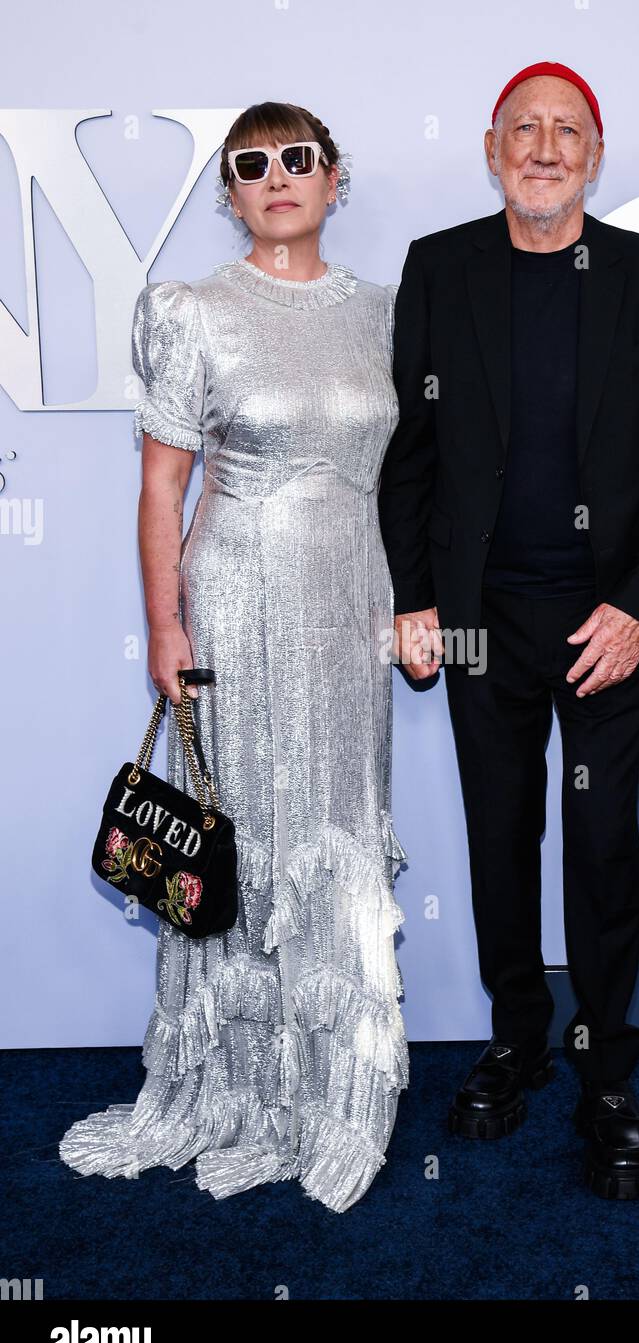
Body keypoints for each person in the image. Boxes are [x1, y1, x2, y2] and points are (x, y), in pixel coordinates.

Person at [378, 62, 639, 1199]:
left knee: (600, 843)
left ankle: (605, 1070)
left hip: (604, 622)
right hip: (481, 621)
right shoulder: (438, 268)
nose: (541, 146)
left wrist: (637, 606)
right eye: (521, 129)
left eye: (562, 130)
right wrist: (416, 596)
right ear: (489, 150)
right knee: (498, 836)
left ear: (593, 152)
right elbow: (411, 459)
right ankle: (518, 1037)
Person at [60, 101, 409, 1213]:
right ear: (230, 193)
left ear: (334, 178)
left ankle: (330, 1098)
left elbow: (410, 474)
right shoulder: (192, 311)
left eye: (295, 158)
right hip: (238, 596)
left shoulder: (386, 314)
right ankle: (241, 1089)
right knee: (244, 829)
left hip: (350, 597)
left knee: (333, 826)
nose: (274, 177)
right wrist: (166, 625)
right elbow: (163, 487)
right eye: (248, 165)